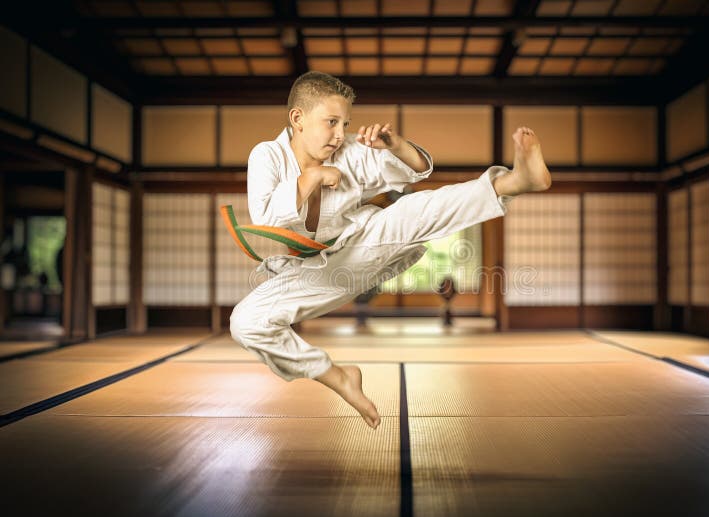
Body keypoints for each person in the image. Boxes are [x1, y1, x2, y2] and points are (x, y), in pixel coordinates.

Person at [229, 71, 551, 430]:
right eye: (331, 122)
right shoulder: (267, 156)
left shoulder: (349, 151)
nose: (339, 134)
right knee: (245, 322)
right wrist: (312, 178)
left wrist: (395, 145)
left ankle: (513, 182)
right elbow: (265, 216)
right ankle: (336, 376)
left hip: (362, 245)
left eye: (345, 123)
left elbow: (416, 172)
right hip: (311, 273)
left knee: (414, 212)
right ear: (297, 119)